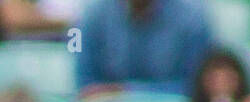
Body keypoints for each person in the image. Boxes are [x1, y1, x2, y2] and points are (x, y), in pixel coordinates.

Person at [74, 0, 213, 95]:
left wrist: (128, 91)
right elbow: (85, 85)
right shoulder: (93, 14)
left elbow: (198, 86)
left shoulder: (192, 17)